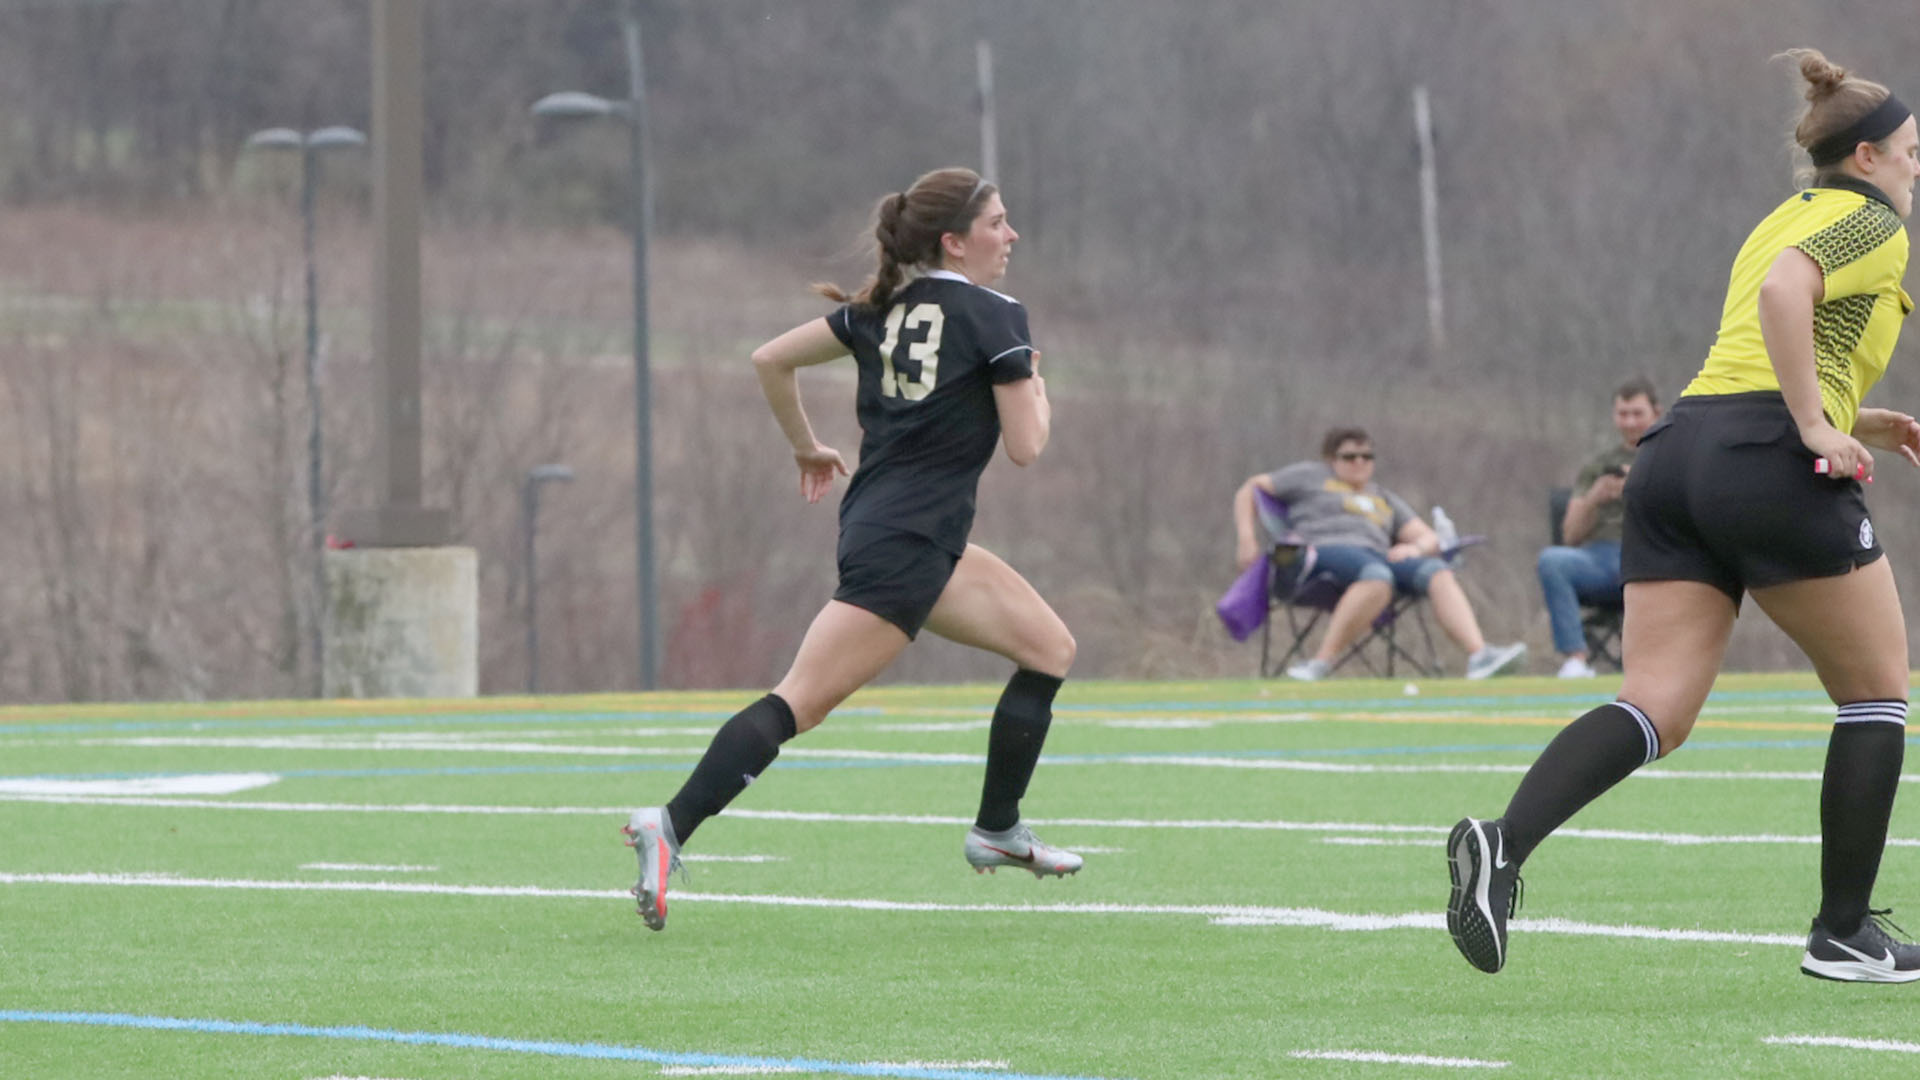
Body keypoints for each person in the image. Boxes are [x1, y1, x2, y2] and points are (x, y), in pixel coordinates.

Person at [1447, 49, 1920, 982]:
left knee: (1655, 706)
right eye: (1911, 150)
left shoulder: (1782, 218)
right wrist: (1817, 424)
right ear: (1864, 158)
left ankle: (1503, 845)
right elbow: (1790, 302)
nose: (1919, 166)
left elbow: (1763, 338)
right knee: (1876, 693)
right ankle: (1843, 932)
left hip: (1677, 454)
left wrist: (1854, 415)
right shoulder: (1873, 223)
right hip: (1764, 459)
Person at [623, 167, 1081, 932]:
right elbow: (1027, 446)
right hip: (905, 547)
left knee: (1049, 648)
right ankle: (666, 827)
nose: (1011, 236)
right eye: (998, 222)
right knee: (799, 703)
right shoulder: (996, 314)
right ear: (954, 241)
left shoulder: (882, 306)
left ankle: (998, 830)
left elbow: (770, 358)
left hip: (905, 532)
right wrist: (1036, 383)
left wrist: (806, 448)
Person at [1231, 427, 1527, 681]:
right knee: (1378, 576)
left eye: (1367, 457)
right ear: (1332, 459)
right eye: (1349, 457)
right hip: (1322, 553)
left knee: (1437, 573)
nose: (1359, 462)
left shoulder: (1382, 497)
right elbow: (1250, 488)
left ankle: (1480, 656)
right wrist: (1246, 538)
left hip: (1378, 556)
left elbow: (1427, 536)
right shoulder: (1309, 477)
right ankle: (1321, 662)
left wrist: (1414, 548)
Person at [1537, 378, 1663, 678]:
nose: (1630, 422)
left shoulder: (1670, 455)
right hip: (1601, 558)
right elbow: (1570, 535)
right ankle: (1576, 660)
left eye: (1637, 413)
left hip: (1654, 556)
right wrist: (1595, 498)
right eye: (1623, 413)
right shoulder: (1598, 466)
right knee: (1552, 561)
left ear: (1656, 413)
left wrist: (1641, 486)